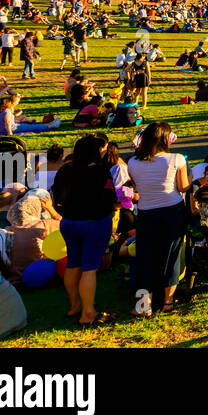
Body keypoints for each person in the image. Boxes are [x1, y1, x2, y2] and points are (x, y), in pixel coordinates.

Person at [51, 133, 118, 326]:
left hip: (69, 222)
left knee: (73, 264)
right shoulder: (101, 171)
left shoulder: (65, 170)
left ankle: (75, 305)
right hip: (94, 222)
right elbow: (109, 197)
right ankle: (88, 312)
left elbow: (56, 196)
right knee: (89, 268)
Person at [128, 121, 190, 317]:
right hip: (172, 210)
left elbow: (137, 188)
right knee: (170, 256)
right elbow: (182, 187)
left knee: (145, 258)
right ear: (165, 139)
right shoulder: (176, 159)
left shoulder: (133, 162)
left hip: (146, 213)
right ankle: (168, 300)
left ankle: (144, 304)